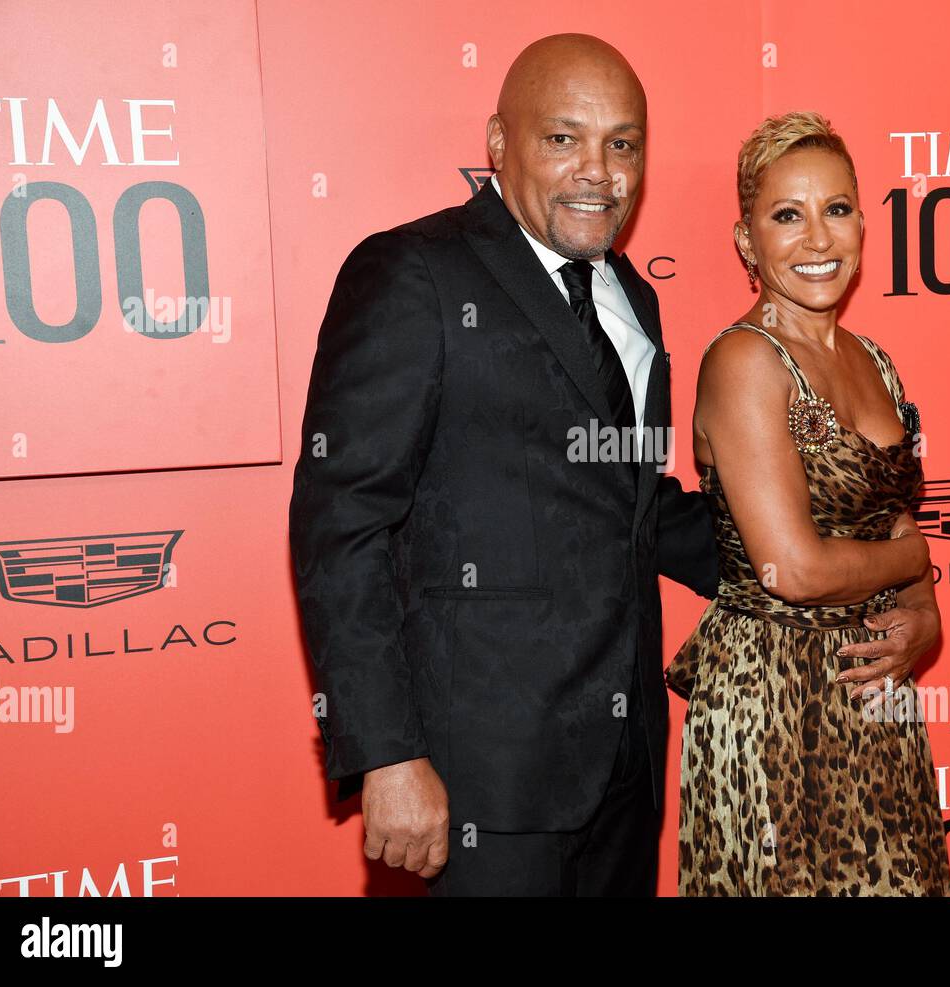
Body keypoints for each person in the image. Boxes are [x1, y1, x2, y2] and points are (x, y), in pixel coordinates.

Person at [288, 33, 717, 896]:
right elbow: (345, 522)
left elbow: (632, 504)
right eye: (564, 139)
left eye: (622, 143)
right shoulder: (415, 272)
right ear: (497, 144)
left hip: (625, 764)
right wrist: (389, 753)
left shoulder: (633, 297)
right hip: (482, 778)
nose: (598, 170)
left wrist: (825, 565)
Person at [666, 111, 950, 896]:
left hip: (874, 698)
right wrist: (917, 560)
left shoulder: (875, 363)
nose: (817, 240)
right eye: (787, 216)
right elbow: (790, 566)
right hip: (770, 708)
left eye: (835, 210)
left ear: (864, 222)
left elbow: (892, 512)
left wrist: (924, 615)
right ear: (746, 241)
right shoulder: (742, 361)